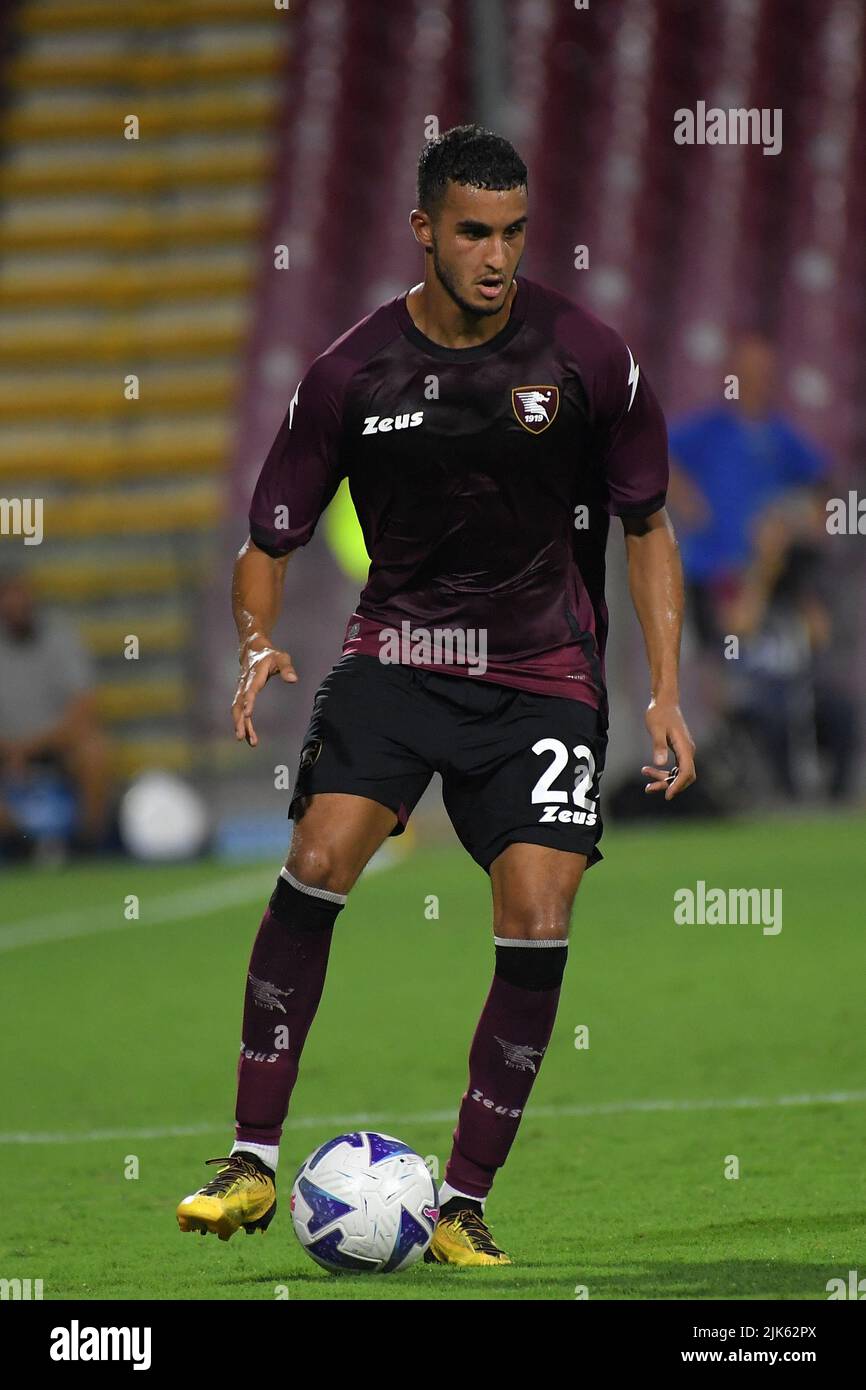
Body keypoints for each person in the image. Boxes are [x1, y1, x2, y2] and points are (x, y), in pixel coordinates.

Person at [176, 125, 696, 1266]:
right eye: (471, 231)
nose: (496, 254)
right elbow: (265, 541)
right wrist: (257, 638)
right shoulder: (349, 374)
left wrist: (662, 689)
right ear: (424, 230)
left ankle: (460, 1203)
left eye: (511, 232)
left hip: (543, 678)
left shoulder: (587, 357)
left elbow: (648, 526)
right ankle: (251, 1162)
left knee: (537, 918)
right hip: (399, 657)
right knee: (314, 861)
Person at [667, 332, 827, 650]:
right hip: (714, 570)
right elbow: (654, 454)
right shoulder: (710, 428)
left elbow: (822, 489)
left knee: (798, 637)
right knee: (725, 645)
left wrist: (801, 523)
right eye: (747, 373)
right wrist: (685, 498)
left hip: (767, 575)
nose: (755, 382)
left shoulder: (783, 436)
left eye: (763, 374)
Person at [0, 567, 111, 855]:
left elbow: (84, 706)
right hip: (5, 749)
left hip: (54, 745)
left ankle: (87, 845)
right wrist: (12, 751)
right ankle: (18, 846)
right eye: (8, 598)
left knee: (94, 751)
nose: (16, 605)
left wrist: (29, 748)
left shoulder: (59, 639)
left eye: (21, 596)